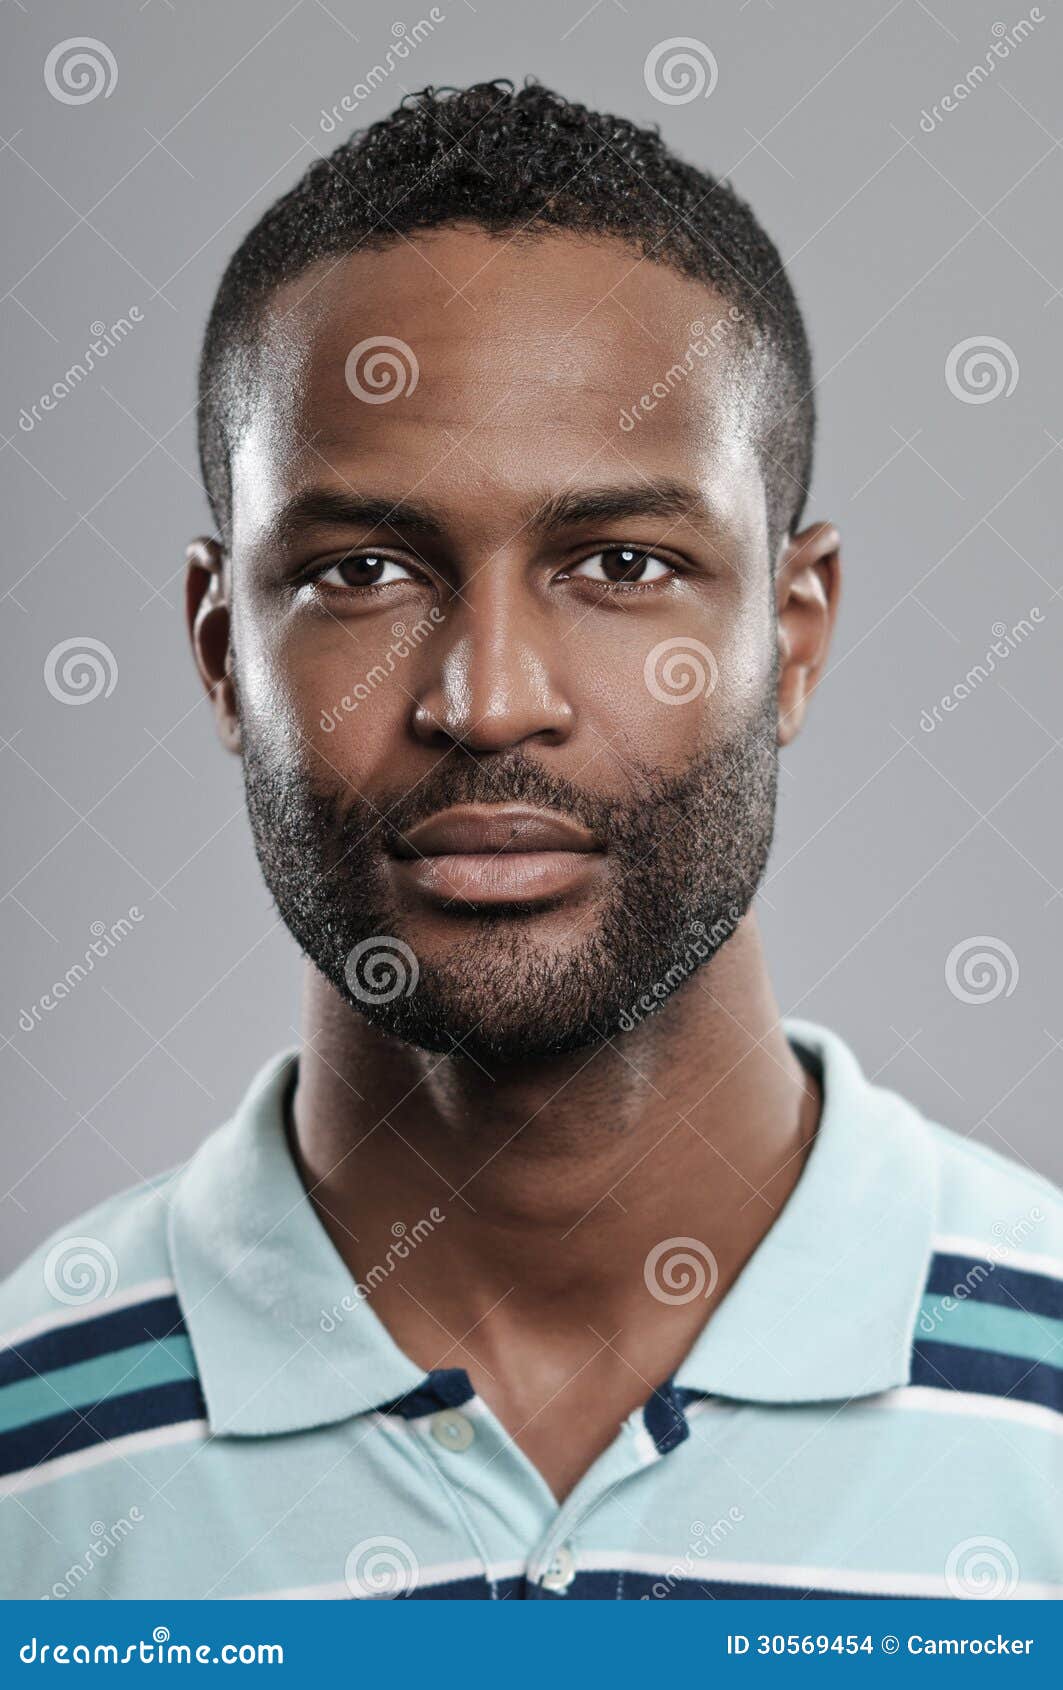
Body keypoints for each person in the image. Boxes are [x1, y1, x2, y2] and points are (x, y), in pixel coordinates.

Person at [2, 82, 1059, 1602]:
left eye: (621, 562)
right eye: (363, 572)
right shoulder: (31, 1460)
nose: (488, 700)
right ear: (223, 650)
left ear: (794, 634)